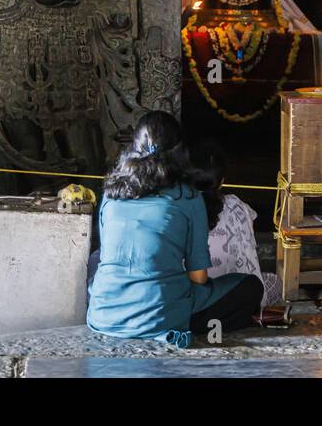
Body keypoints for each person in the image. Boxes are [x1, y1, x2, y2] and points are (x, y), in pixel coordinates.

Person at [86, 111, 264, 345]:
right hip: (159, 316)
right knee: (250, 287)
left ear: (133, 148)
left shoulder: (111, 194)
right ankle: (171, 322)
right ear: (181, 152)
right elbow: (198, 278)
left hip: (103, 315)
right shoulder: (187, 196)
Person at [185, 140, 282, 307]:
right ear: (222, 180)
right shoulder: (237, 206)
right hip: (235, 295)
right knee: (275, 282)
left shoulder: (176, 209)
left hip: (194, 299)